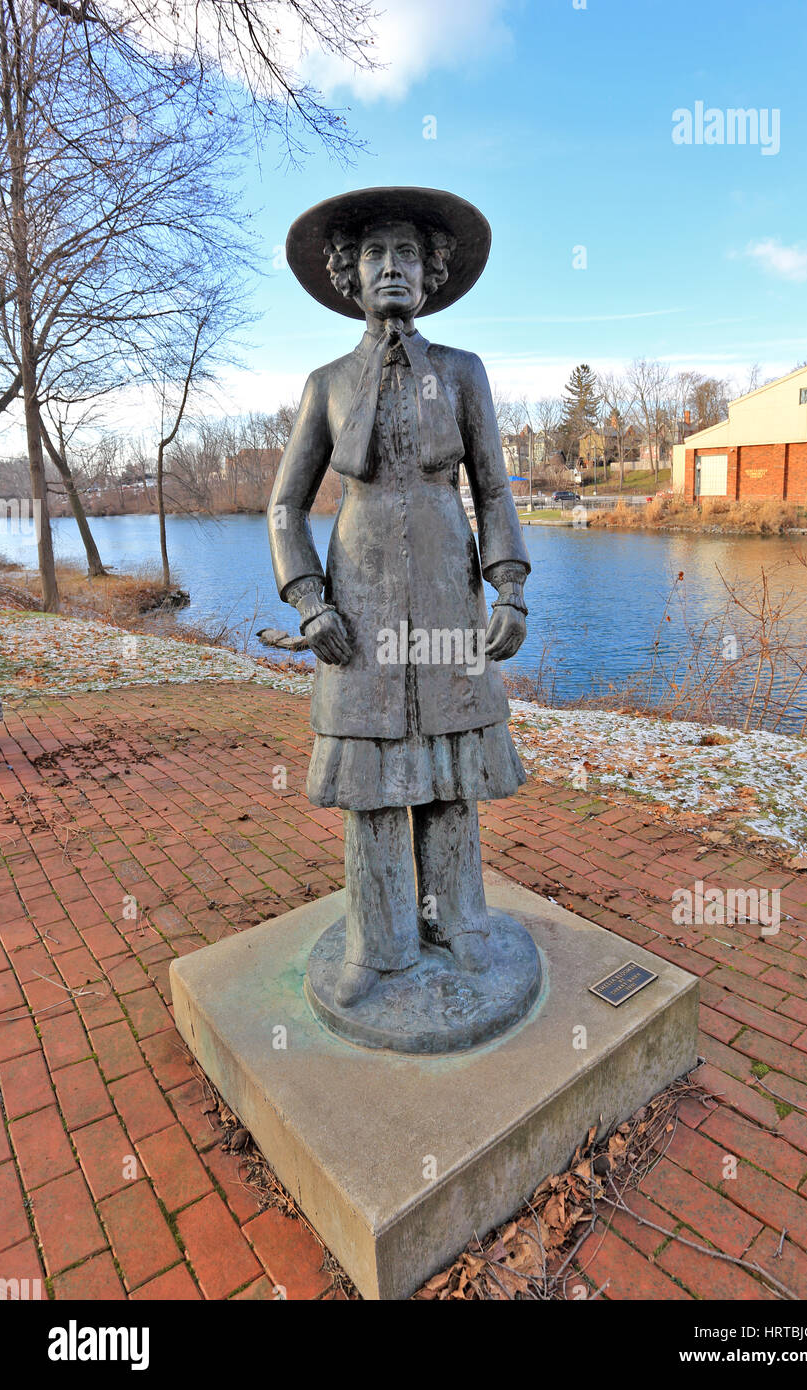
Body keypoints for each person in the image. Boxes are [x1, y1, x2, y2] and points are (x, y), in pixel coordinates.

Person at [268, 187, 530, 1007]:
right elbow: (284, 506)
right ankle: (378, 947)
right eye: (375, 254)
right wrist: (310, 601)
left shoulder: (462, 372)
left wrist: (510, 587)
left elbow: (493, 488)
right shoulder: (326, 383)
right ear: (349, 273)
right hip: (359, 606)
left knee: (450, 777)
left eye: (408, 253)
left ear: (431, 272)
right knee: (372, 785)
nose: (391, 268)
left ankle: (461, 922)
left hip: (450, 597)